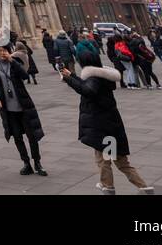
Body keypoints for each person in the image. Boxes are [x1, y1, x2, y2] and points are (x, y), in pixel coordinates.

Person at [61, 46, 153, 194]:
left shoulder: (94, 78)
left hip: (102, 128)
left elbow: (88, 90)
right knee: (120, 161)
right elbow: (88, 86)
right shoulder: (102, 76)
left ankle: (109, 187)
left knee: (104, 159)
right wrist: (71, 76)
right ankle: (144, 187)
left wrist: (69, 80)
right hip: (111, 126)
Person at [0, 45, 46, 175]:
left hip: (23, 105)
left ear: (9, 51)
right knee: (17, 137)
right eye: (0, 50)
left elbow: (25, 75)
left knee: (32, 136)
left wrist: (12, 61)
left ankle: (37, 163)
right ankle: (26, 163)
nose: (2, 53)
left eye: (5, 50)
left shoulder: (14, 63)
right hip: (8, 109)